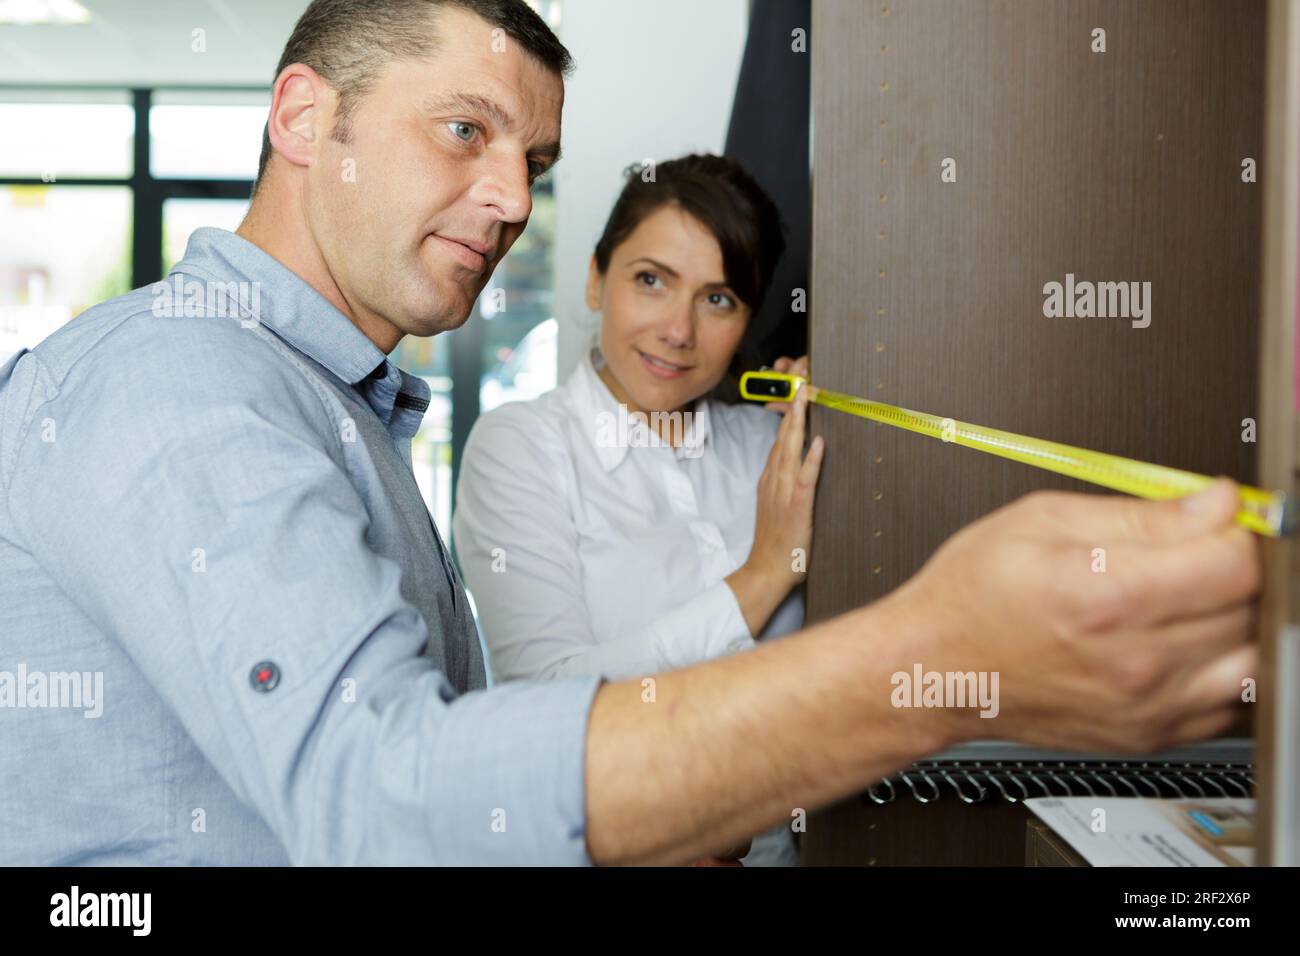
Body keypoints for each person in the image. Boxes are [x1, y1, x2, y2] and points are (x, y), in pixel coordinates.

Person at [0, 0, 1259, 866]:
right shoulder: (181, 379)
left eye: (532, 163)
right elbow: (381, 795)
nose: (506, 201)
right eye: (463, 131)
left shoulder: (332, 403)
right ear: (301, 119)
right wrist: (930, 659)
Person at [453, 154, 820, 865]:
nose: (678, 330)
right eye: (651, 281)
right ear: (596, 278)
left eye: (719, 300)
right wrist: (763, 576)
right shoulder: (521, 450)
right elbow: (550, 705)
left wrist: (842, 414)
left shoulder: (774, 445)